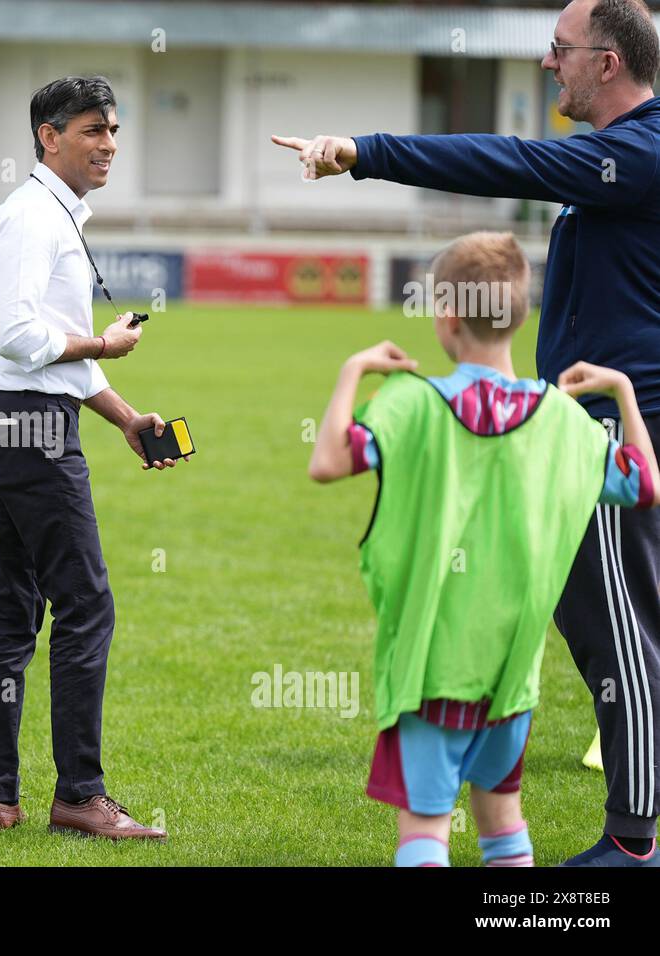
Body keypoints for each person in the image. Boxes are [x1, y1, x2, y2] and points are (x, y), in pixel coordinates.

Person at [275, 0, 660, 867]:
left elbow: (509, 159)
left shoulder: (636, 154)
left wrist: (364, 152)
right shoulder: (629, 156)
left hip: (608, 427)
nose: (545, 63)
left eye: (559, 50)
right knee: (593, 617)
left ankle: (635, 845)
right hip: (583, 421)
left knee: (620, 632)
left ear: (607, 63)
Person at [310, 231, 658, 866]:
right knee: (502, 821)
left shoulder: (412, 404)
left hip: (433, 664)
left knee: (425, 827)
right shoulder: (562, 418)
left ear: (446, 320)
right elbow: (644, 484)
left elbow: (328, 460)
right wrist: (625, 394)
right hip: (512, 672)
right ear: (522, 315)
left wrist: (351, 371)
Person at [0, 75, 178, 840]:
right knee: (85, 605)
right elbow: (22, 334)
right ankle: (81, 796)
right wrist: (106, 342)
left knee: (14, 604)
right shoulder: (32, 218)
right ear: (48, 137)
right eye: (92, 130)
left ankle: (0, 797)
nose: (109, 144)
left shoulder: (48, 213)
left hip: (0, 419)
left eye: (112, 130)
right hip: (26, 430)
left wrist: (123, 416)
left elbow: (46, 350)